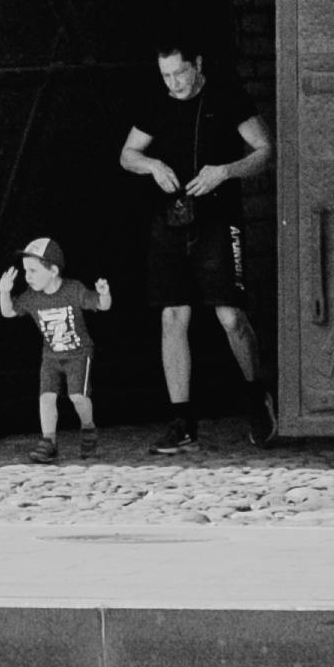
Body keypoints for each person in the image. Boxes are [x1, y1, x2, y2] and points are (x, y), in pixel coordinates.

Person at [121, 37, 275, 449]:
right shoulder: (157, 102)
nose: (175, 83)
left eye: (181, 73)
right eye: (166, 76)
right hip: (169, 221)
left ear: (198, 64)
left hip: (218, 220)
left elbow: (264, 151)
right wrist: (151, 164)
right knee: (173, 317)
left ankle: (256, 396)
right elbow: (127, 155)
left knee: (230, 318)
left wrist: (225, 171)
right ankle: (182, 420)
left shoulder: (227, 97)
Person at [0, 234, 110, 460]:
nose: (27, 277)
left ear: (53, 271)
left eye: (33, 271)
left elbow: (101, 305)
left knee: (78, 396)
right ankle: (48, 441)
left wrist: (105, 294)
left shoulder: (73, 289)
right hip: (51, 356)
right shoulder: (31, 297)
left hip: (78, 354)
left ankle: (88, 429)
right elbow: (8, 312)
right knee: (46, 397)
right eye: (25, 271)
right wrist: (4, 292)